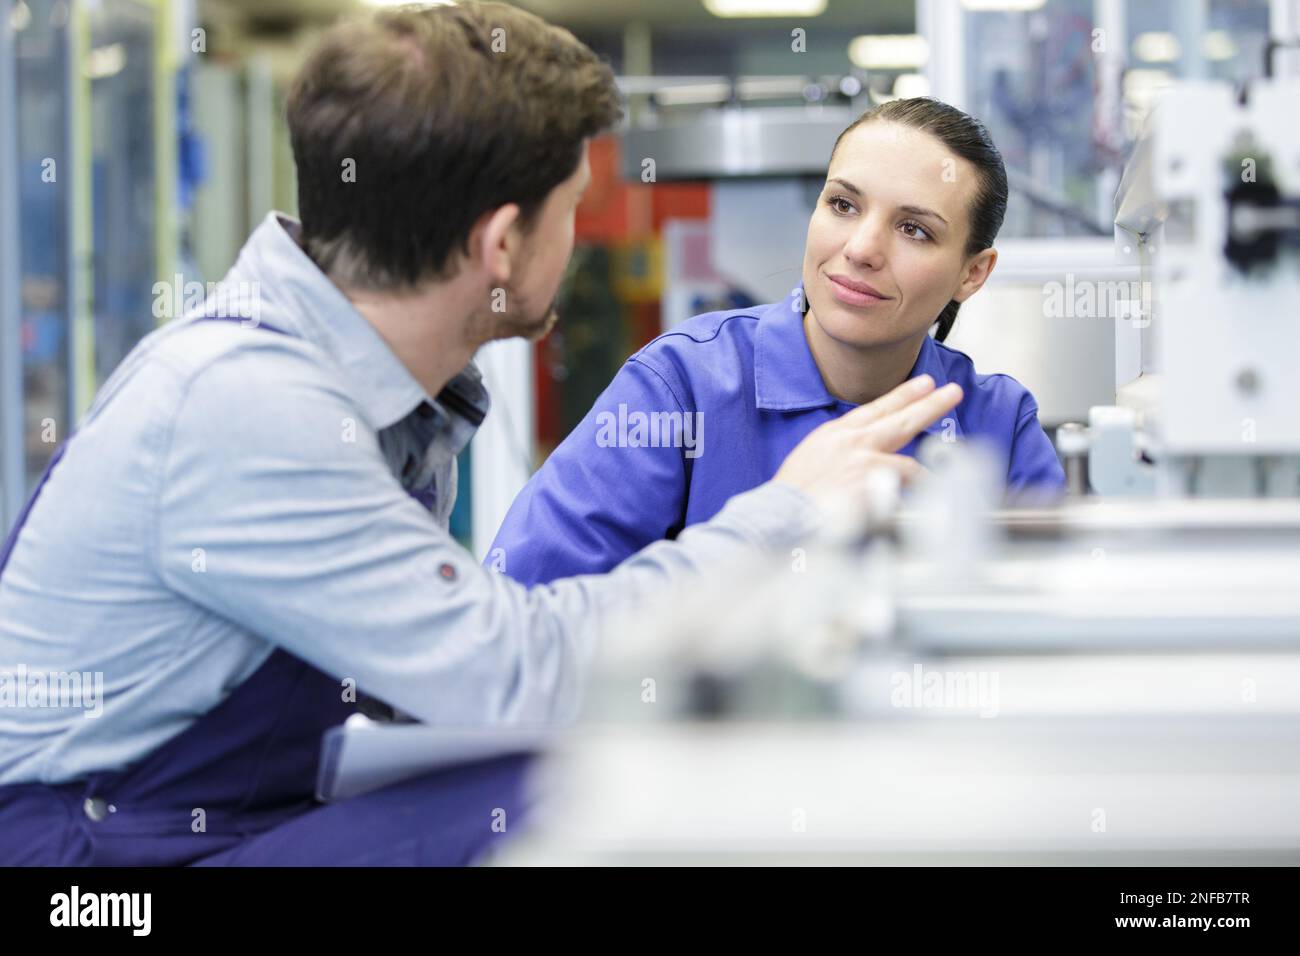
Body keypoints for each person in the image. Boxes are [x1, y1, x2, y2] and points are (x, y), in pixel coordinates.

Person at [0, 3, 961, 866]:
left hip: (209, 814)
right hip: (86, 862)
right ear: (502, 246)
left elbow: (439, 683)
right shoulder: (247, 409)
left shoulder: (368, 385)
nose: (578, 239)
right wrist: (787, 512)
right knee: (587, 787)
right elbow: (522, 672)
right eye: (573, 210)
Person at [489, 97, 1065, 587]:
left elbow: (1043, 632)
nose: (862, 248)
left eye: (914, 229)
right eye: (843, 204)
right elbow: (524, 609)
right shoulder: (681, 388)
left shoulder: (1000, 426)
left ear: (973, 273)